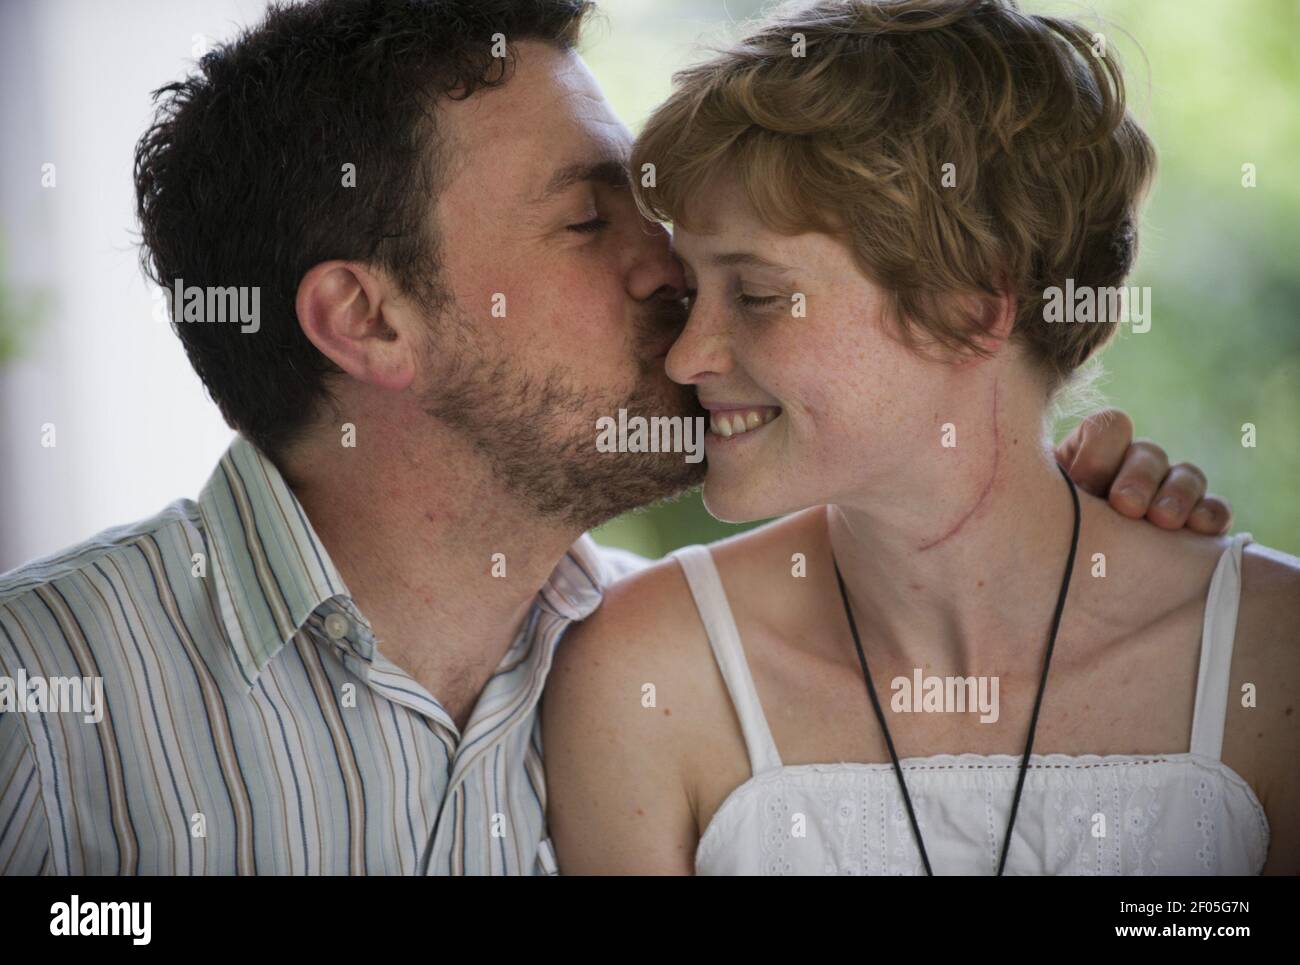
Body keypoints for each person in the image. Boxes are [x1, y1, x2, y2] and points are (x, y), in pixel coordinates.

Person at [0, 0, 1230, 876]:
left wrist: (1047, 531)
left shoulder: (654, 655)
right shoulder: (40, 707)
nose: (672, 281)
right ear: (370, 319)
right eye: (593, 224)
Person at [542, 0, 1298, 875]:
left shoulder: (1271, 656)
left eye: (754, 295)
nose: (687, 353)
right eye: (689, 291)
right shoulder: (643, 674)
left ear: (972, 309)